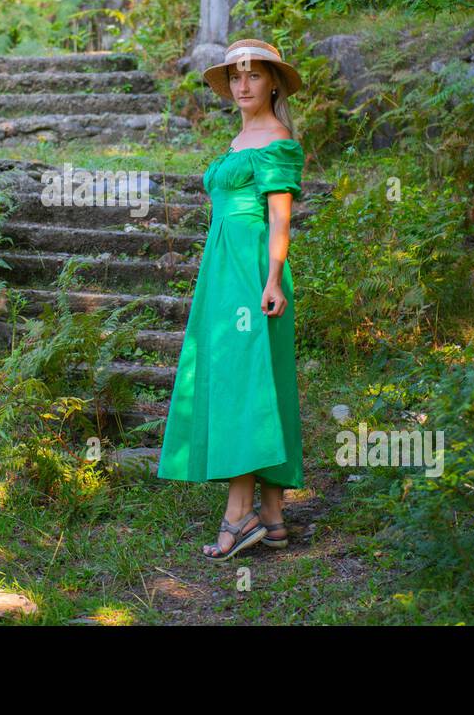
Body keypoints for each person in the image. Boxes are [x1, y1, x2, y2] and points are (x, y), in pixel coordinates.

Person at [156, 38, 306, 562]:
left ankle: (238, 515)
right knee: (247, 379)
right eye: (235, 78)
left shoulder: (277, 139)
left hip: (252, 274)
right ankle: (272, 516)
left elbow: (280, 217)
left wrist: (272, 279)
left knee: (245, 384)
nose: (242, 86)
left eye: (254, 76)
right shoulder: (241, 136)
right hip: (223, 270)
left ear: (273, 83)